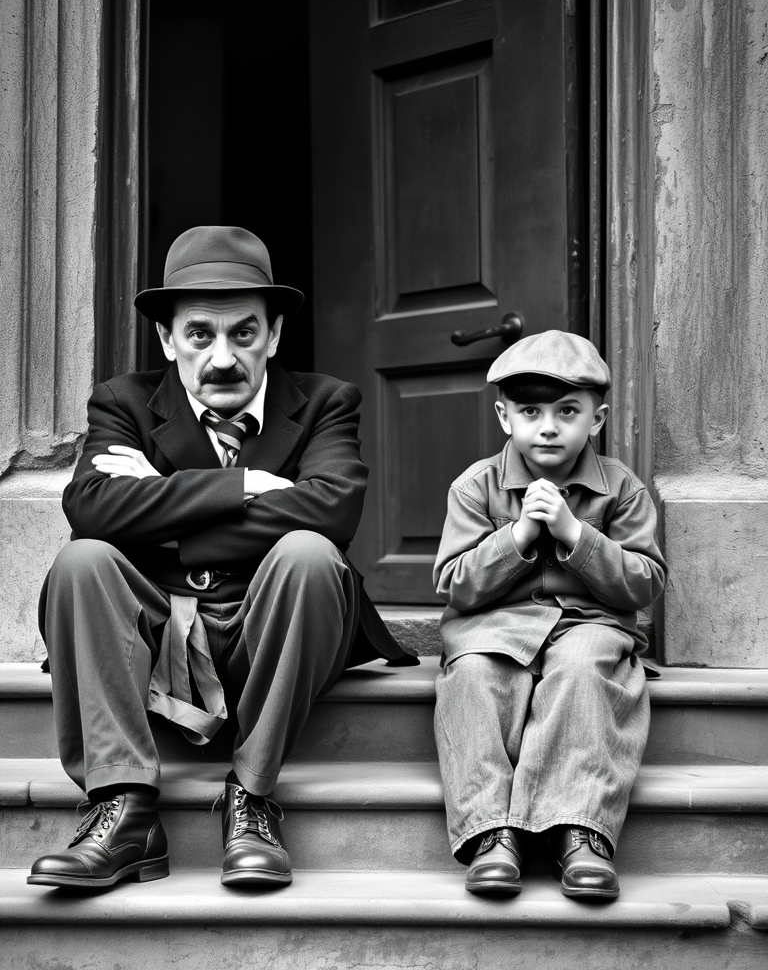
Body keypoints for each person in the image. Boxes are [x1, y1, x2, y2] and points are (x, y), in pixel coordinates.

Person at [27, 225, 415, 892]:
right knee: (83, 561)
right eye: (201, 335)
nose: (223, 358)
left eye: (244, 334)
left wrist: (161, 512)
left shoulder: (325, 403)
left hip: (266, 623)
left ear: (273, 336)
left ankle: (254, 799)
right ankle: (124, 813)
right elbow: (90, 510)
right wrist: (242, 487)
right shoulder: (122, 403)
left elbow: (331, 512)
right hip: (151, 625)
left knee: (308, 555)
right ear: (168, 340)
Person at [432, 330, 666, 901]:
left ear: (598, 417)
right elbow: (452, 584)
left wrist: (574, 534)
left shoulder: (622, 491)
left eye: (568, 411)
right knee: (474, 676)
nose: (549, 426)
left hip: (588, 626)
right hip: (494, 625)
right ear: (504, 416)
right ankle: (492, 833)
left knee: (584, 671)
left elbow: (646, 582)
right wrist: (518, 536)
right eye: (530, 411)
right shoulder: (475, 486)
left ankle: (580, 830)